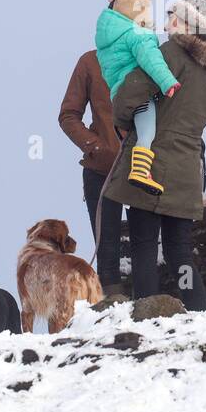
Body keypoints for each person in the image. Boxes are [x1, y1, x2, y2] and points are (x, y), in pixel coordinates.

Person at [104, 0, 206, 309]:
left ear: (192, 22)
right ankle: (196, 310)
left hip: (150, 158)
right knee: (179, 248)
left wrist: (123, 119)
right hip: (188, 161)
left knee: (143, 245)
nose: (166, 25)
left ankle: (148, 312)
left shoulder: (170, 53)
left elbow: (132, 94)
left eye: (174, 18)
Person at [94, 0, 181, 195]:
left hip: (120, 93)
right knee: (147, 132)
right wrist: (168, 82)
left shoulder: (108, 39)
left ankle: (140, 169)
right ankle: (141, 171)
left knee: (137, 131)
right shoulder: (139, 35)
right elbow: (153, 61)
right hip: (139, 94)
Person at [58, 48, 124, 293]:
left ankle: (147, 312)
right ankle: (113, 308)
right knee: (107, 245)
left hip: (145, 164)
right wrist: (97, 147)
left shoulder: (150, 56)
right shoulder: (90, 61)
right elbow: (68, 115)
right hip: (101, 168)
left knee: (147, 241)